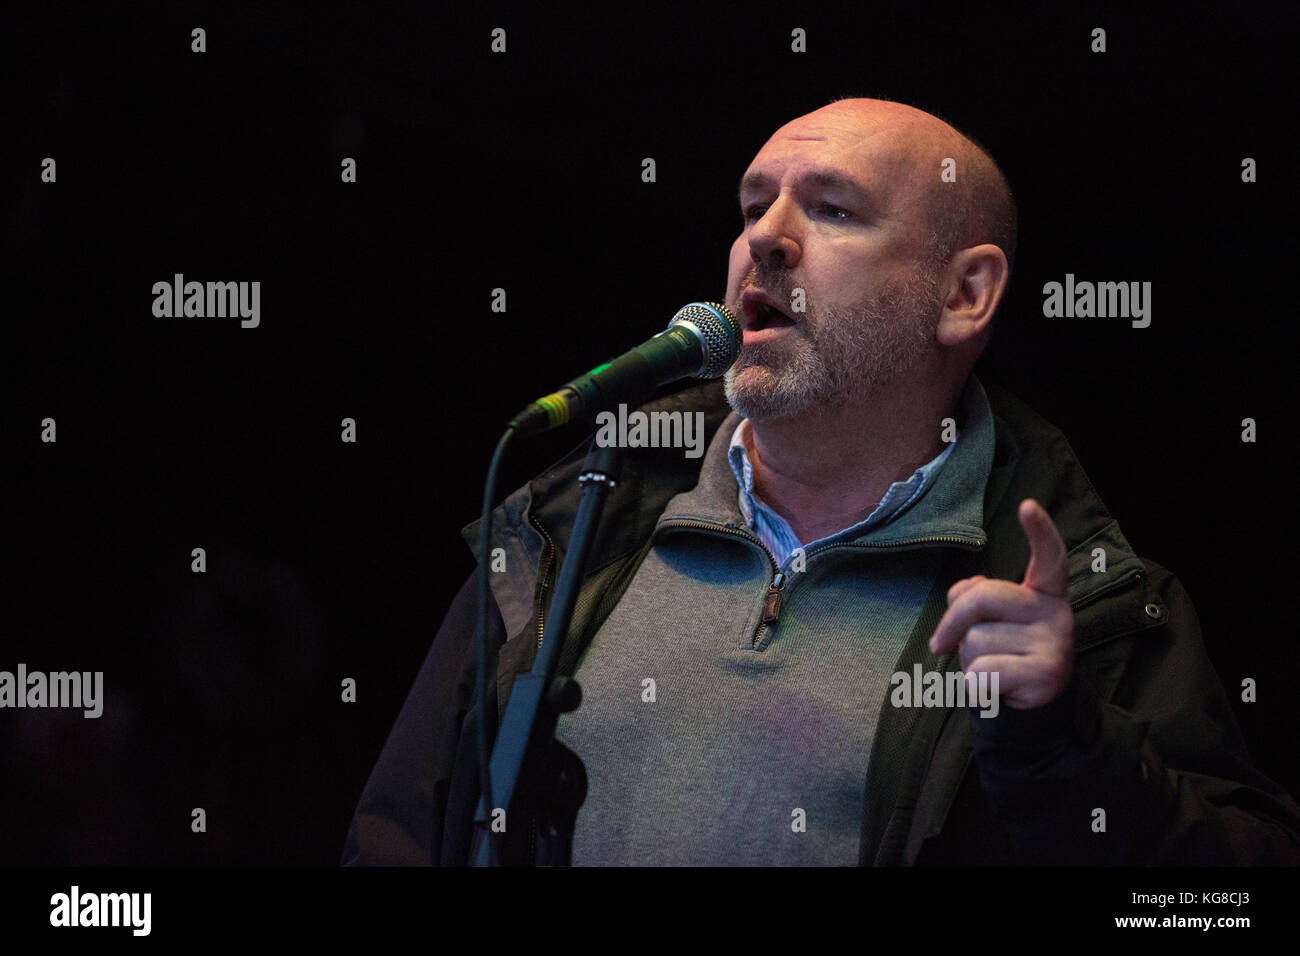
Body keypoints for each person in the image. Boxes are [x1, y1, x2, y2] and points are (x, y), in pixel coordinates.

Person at [343, 98, 1300, 865]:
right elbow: (395, 836)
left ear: (966, 295)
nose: (767, 238)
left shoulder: (1088, 608)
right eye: (753, 206)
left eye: (832, 209)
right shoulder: (570, 524)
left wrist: (1063, 743)